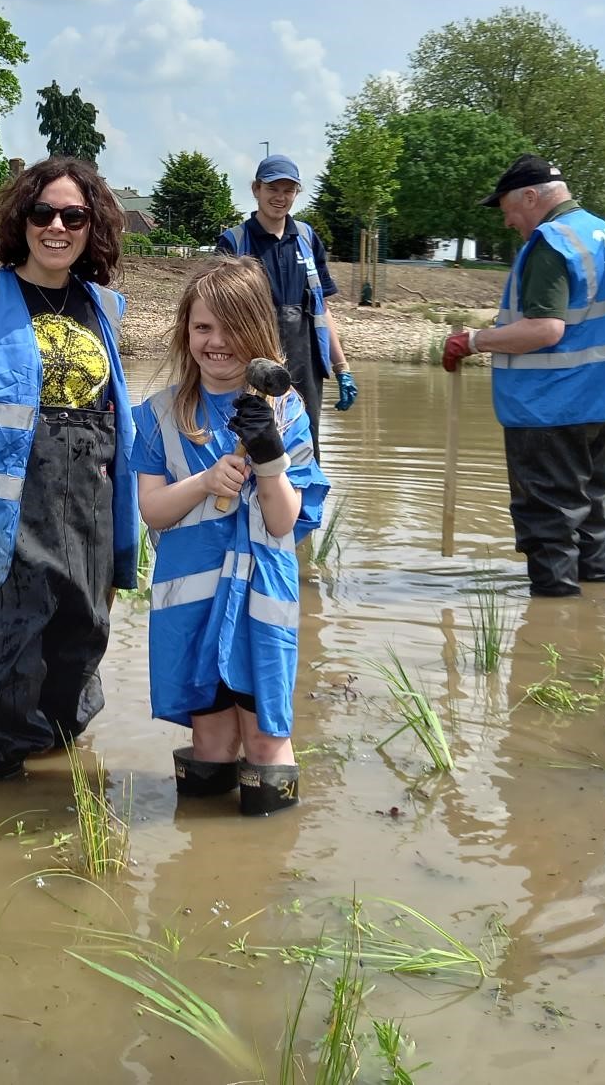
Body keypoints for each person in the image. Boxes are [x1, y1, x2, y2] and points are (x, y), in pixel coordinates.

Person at [0, 157, 138, 782]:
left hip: (87, 518)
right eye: (44, 213)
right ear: (22, 218)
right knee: (2, 664)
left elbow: (116, 425)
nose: (57, 227)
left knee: (76, 659)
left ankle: (57, 815)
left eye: (74, 214)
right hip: (4, 516)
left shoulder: (105, 307)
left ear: (94, 225)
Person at [133, 258, 328, 816]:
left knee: (265, 738)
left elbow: (286, 521)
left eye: (232, 328)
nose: (216, 343)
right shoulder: (159, 414)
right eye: (202, 328)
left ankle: (265, 863)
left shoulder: (284, 411)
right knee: (210, 743)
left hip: (260, 607)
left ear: (260, 334)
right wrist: (203, 480)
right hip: (190, 608)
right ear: (185, 332)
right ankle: (205, 866)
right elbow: (153, 512)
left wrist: (269, 457)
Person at [440, 155, 605, 599]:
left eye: (508, 209)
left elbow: (545, 329)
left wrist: (474, 341)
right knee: (592, 516)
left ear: (531, 196)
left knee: (548, 523)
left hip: (551, 408)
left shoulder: (551, 242)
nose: (507, 222)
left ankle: (552, 626)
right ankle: (592, 622)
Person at [215, 155, 357, 458]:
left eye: (288, 190)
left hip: (305, 359)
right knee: (250, 441)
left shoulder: (306, 238)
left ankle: (305, 505)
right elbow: (214, 312)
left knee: (305, 440)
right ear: (256, 189)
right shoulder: (234, 242)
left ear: (296, 194)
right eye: (273, 188)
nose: (280, 197)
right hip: (249, 357)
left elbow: (322, 309)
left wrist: (342, 366)